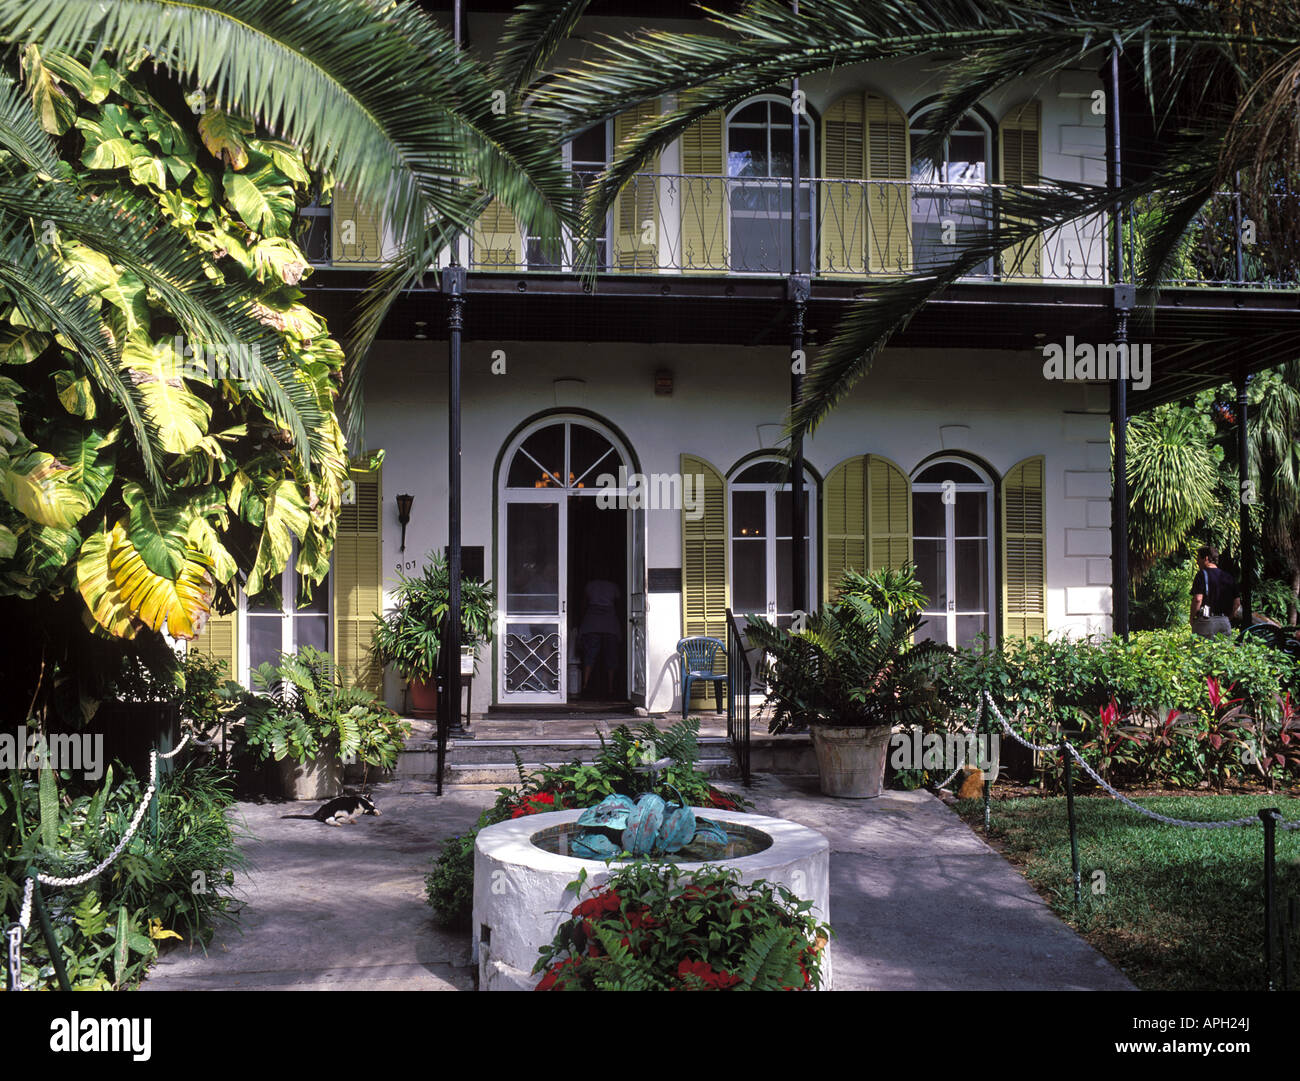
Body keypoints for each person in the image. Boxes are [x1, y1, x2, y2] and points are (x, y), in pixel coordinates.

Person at [579, 577, 622, 698]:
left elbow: (584, 604)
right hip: (610, 622)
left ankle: (585, 685)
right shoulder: (613, 586)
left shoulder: (590, 584)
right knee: (611, 655)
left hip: (592, 621)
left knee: (590, 654)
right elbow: (619, 604)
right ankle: (611, 688)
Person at [1189, 544, 1241, 638]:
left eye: (1198, 558)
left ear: (1206, 558)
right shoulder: (1228, 577)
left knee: (1202, 647)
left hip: (1205, 622)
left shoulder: (1201, 575)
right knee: (1223, 647)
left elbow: (1198, 599)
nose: (1197, 562)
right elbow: (1237, 603)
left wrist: (1192, 618)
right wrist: (1228, 618)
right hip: (1224, 622)